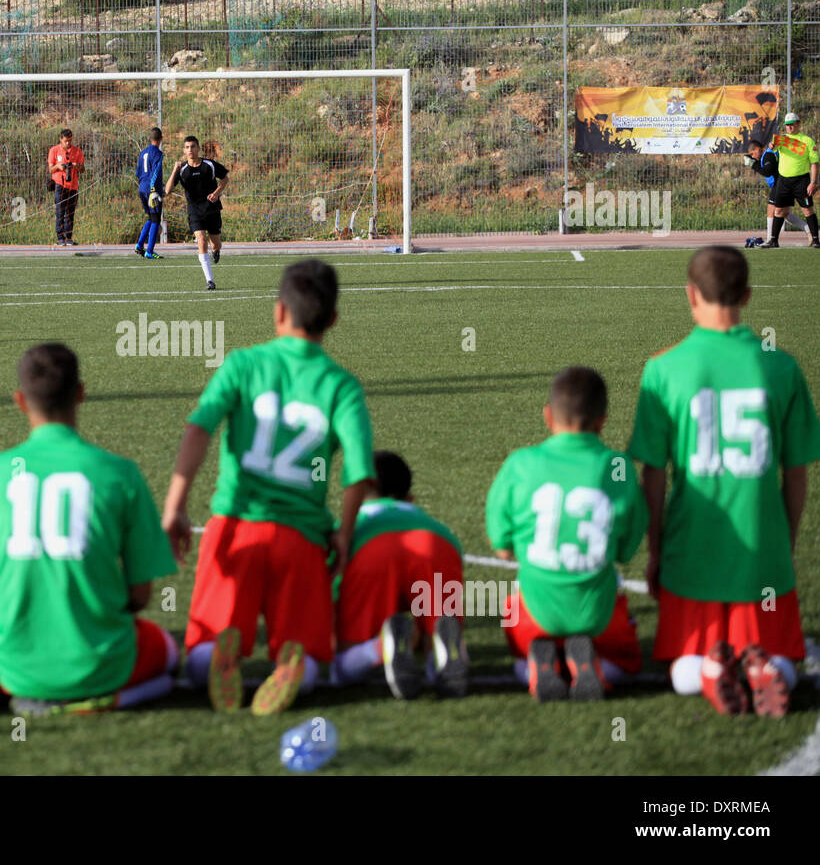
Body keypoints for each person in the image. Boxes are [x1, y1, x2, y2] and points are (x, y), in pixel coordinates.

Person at [163, 259, 377, 715]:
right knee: (314, 665)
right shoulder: (341, 386)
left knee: (199, 659)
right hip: (300, 538)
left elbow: (199, 428)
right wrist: (344, 531)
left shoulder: (243, 364)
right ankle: (290, 661)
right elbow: (360, 474)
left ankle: (221, 653)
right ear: (333, 320)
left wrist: (175, 506)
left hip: (235, 528)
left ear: (279, 311)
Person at [0, 343, 179, 723]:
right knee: (170, 654)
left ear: (19, 400)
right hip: (99, 662)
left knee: (11, 643)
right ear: (80, 393)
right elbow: (139, 596)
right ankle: (94, 700)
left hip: (16, 663)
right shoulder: (120, 474)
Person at [628, 246, 820, 715]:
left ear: (691, 295)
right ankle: (764, 666)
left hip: (690, 555)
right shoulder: (782, 367)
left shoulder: (663, 369)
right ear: (749, 295)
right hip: (763, 554)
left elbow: (652, 479)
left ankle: (712, 669)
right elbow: (796, 477)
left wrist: (655, 552)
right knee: (787, 659)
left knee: (682, 668)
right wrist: (784, 546)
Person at [487, 367, 647, 702]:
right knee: (627, 664)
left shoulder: (521, 463)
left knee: (520, 656)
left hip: (532, 611)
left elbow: (502, 549)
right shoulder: (618, 467)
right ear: (602, 421)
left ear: (548, 415)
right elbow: (625, 551)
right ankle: (590, 666)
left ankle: (538, 667)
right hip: (597, 615)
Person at [332, 451, 468, 700]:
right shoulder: (436, 526)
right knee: (438, 629)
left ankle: (381, 647)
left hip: (372, 547)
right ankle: (441, 653)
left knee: (340, 670)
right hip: (437, 545)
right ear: (410, 498)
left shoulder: (350, 525)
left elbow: (330, 585)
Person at [163, 135, 228, 291]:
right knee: (201, 240)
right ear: (184, 150)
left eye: (193, 146)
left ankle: (216, 251)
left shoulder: (209, 165)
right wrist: (174, 170)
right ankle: (210, 281)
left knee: (215, 243)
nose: (190, 150)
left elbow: (225, 178)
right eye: (187, 147)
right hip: (194, 210)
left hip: (211, 209)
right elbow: (168, 190)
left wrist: (217, 193)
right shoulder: (182, 169)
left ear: (198, 148)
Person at [761, 111, 819, 248]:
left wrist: (813, 182)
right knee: (779, 211)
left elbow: (814, 164)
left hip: (801, 181)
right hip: (784, 181)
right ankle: (773, 240)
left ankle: (816, 239)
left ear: (798, 124)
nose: (790, 127)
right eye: (787, 125)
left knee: (807, 210)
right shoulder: (782, 140)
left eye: (792, 124)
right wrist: (771, 146)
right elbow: (773, 147)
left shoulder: (807, 141)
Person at [745, 139, 808, 239]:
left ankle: (770, 239)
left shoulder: (768, 155)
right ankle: (808, 230)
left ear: (757, 149)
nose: (753, 157)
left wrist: (753, 165)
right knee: (785, 214)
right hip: (784, 183)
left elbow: (767, 172)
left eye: (753, 154)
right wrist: (750, 158)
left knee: (771, 211)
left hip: (780, 184)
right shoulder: (765, 155)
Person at [47, 128, 85, 246]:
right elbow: (50, 169)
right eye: (66, 141)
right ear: (61, 140)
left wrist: (76, 166)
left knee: (70, 212)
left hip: (73, 186)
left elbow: (82, 169)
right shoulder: (54, 150)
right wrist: (59, 166)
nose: (68, 143)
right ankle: (60, 237)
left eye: (70, 141)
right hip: (59, 185)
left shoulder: (77, 151)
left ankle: (69, 237)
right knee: (60, 211)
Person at [134, 127, 165, 259]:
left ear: (150, 138)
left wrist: (144, 186)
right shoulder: (158, 153)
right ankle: (150, 250)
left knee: (151, 218)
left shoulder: (143, 153)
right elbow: (156, 172)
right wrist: (153, 190)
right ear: (161, 139)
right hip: (152, 190)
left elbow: (138, 172)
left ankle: (139, 245)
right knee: (156, 219)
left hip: (142, 187)